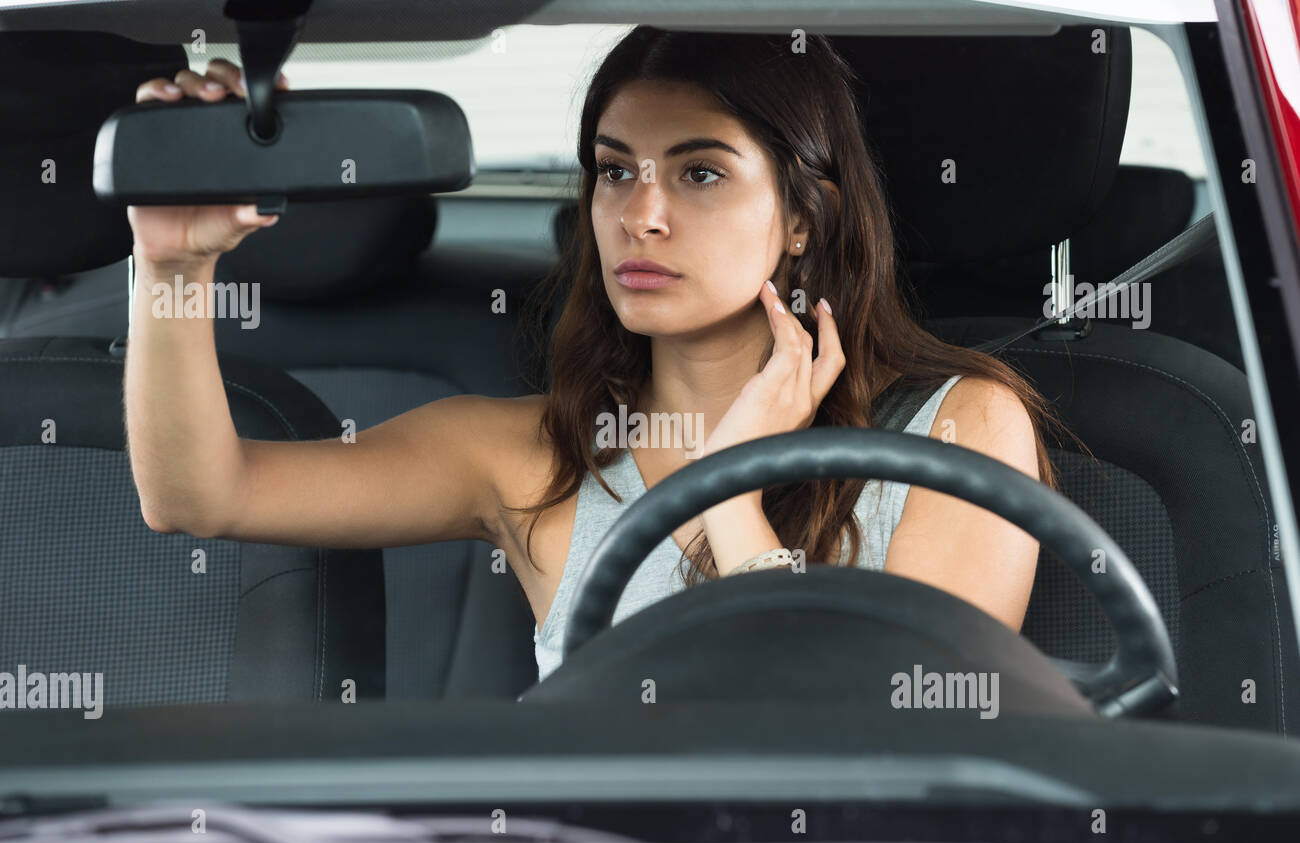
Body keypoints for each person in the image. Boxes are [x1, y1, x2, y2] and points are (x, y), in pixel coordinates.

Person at [125, 27, 1075, 683]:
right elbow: (199, 494)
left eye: (699, 172)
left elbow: (886, 749)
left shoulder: (961, 428)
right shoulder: (534, 454)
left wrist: (734, 492)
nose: (640, 213)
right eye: (616, 170)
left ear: (801, 217)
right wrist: (173, 264)